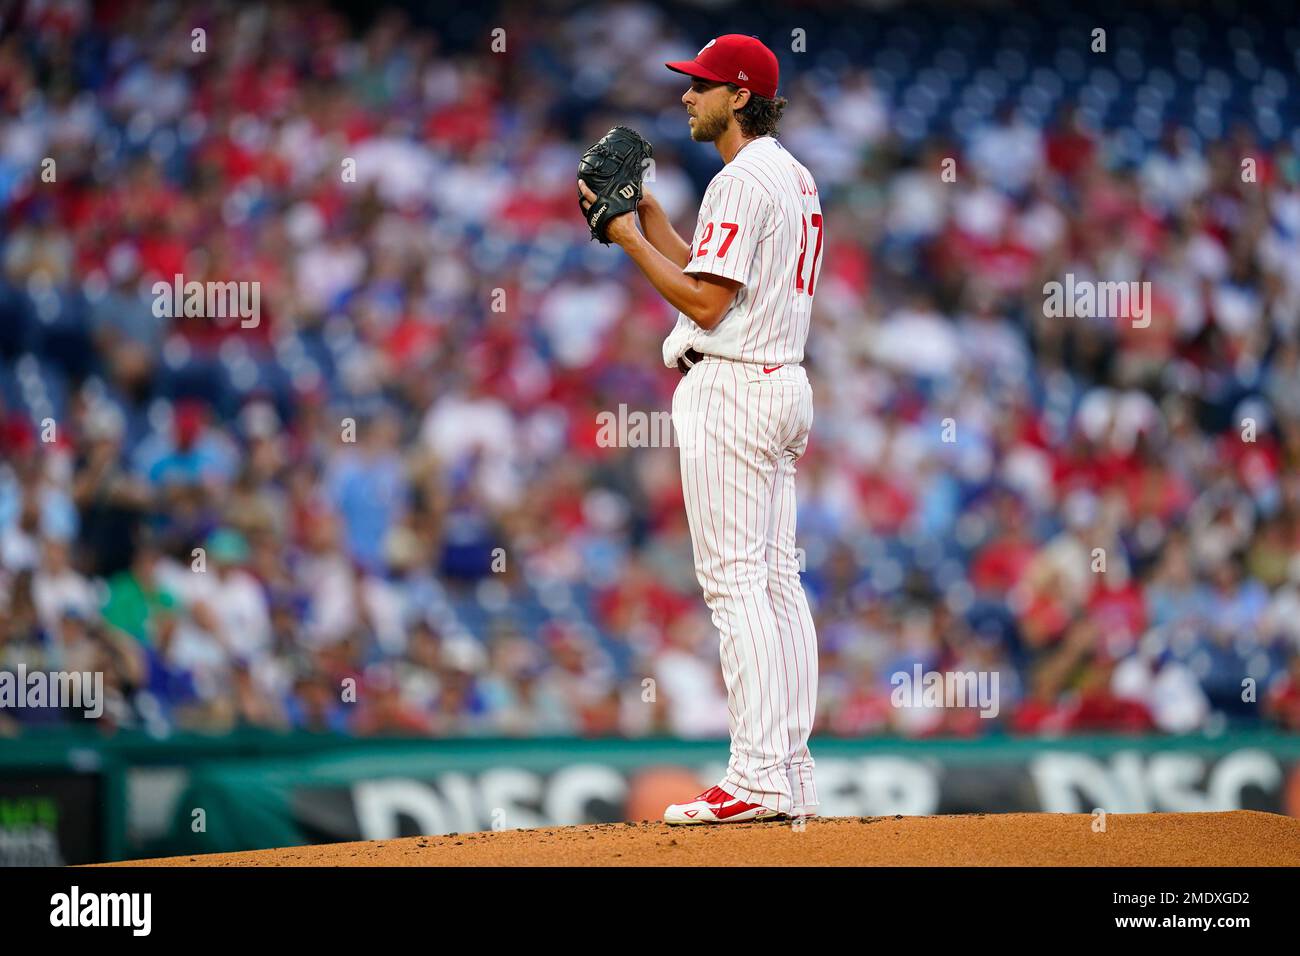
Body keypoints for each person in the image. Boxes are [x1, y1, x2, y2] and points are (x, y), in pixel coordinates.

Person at [579, 34, 823, 824]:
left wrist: (625, 239)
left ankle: (754, 777)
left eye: (703, 86)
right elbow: (725, 283)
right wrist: (652, 213)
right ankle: (788, 771)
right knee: (779, 585)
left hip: (734, 390)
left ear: (740, 96)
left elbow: (709, 307)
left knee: (736, 586)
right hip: (782, 380)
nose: (687, 96)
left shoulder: (738, 180)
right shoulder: (790, 174)